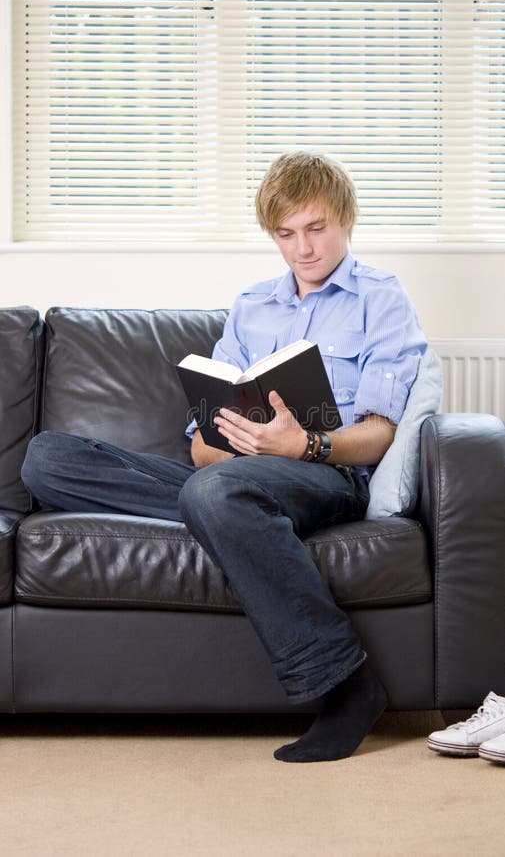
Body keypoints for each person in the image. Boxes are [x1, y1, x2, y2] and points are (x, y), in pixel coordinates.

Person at [21, 151, 427, 762]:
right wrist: (216, 449)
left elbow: (378, 433)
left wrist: (304, 444)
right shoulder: (252, 305)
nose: (303, 249)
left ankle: (346, 683)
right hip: (241, 475)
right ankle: (233, 512)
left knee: (215, 494)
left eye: (316, 229)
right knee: (48, 459)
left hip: (329, 475)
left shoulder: (380, 298)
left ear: (345, 219)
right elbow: (200, 438)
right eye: (286, 235)